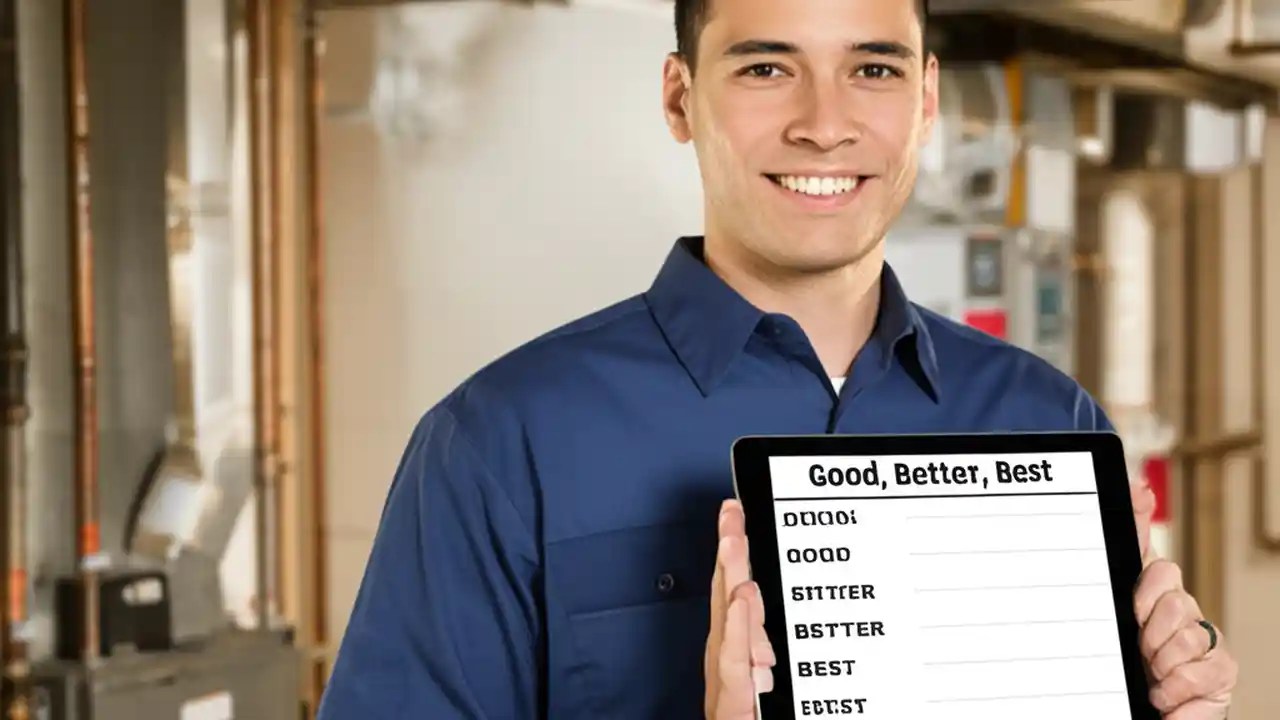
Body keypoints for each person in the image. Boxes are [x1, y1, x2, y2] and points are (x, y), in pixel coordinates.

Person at [316, 0, 1238, 717]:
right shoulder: (497, 444)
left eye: (871, 69)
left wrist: (1173, 700)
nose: (824, 124)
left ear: (923, 102)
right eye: (767, 67)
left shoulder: (1050, 420)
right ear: (681, 98)